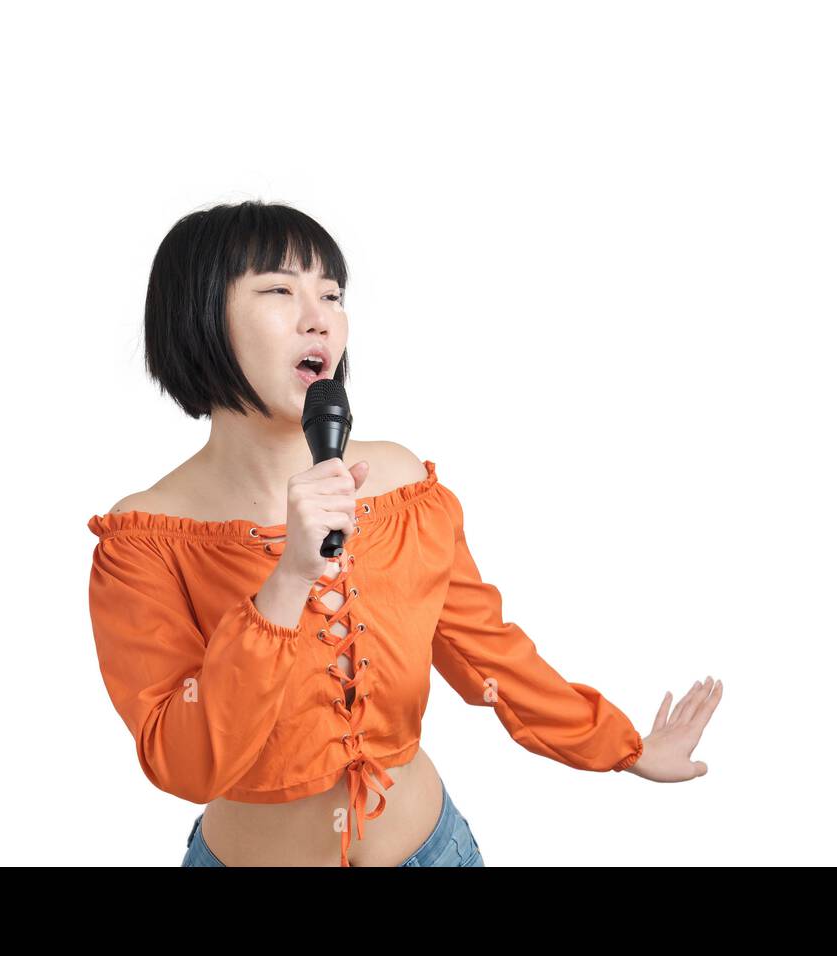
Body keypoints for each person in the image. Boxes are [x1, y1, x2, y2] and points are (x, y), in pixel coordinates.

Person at [86, 199, 724, 866]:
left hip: (434, 849)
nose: (319, 316)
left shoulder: (401, 487)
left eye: (331, 294)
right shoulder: (145, 541)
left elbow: (488, 657)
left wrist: (619, 746)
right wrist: (287, 582)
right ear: (197, 317)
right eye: (279, 289)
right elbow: (183, 762)